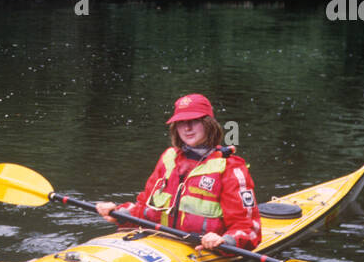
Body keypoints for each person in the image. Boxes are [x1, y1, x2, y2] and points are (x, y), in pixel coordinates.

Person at [96, 93, 261, 251]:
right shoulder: (169, 158)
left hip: (203, 249)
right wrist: (120, 212)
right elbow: (144, 207)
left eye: (194, 121)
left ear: (208, 124)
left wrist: (226, 240)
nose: (187, 128)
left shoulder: (230, 167)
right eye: (181, 122)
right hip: (159, 242)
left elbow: (248, 228)